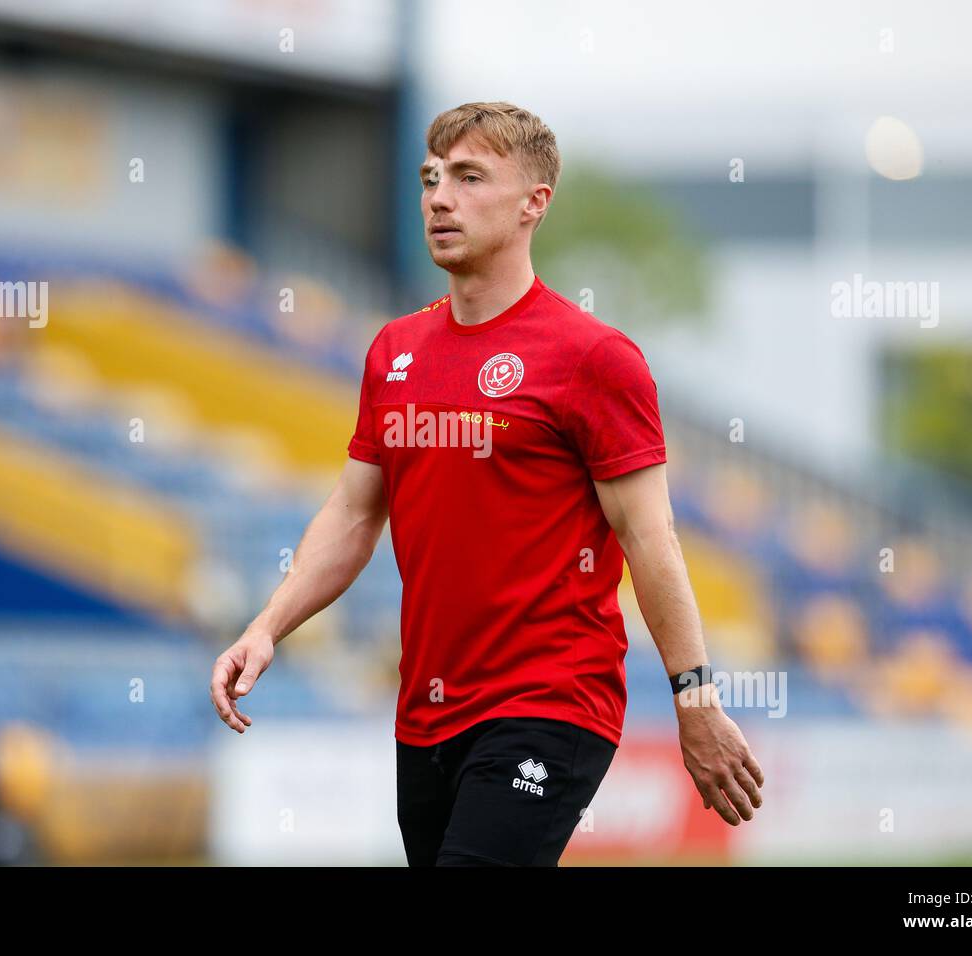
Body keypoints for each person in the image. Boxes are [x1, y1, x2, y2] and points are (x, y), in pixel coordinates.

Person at [211, 101, 763, 866]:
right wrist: (266, 626)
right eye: (431, 178)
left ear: (535, 202)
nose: (440, 197)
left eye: (470, 178)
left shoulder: (594, 358)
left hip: (550, 703)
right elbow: (352, 513)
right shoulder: (393, 352)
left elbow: (650, 536)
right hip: (426, 715)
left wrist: (695, 701)